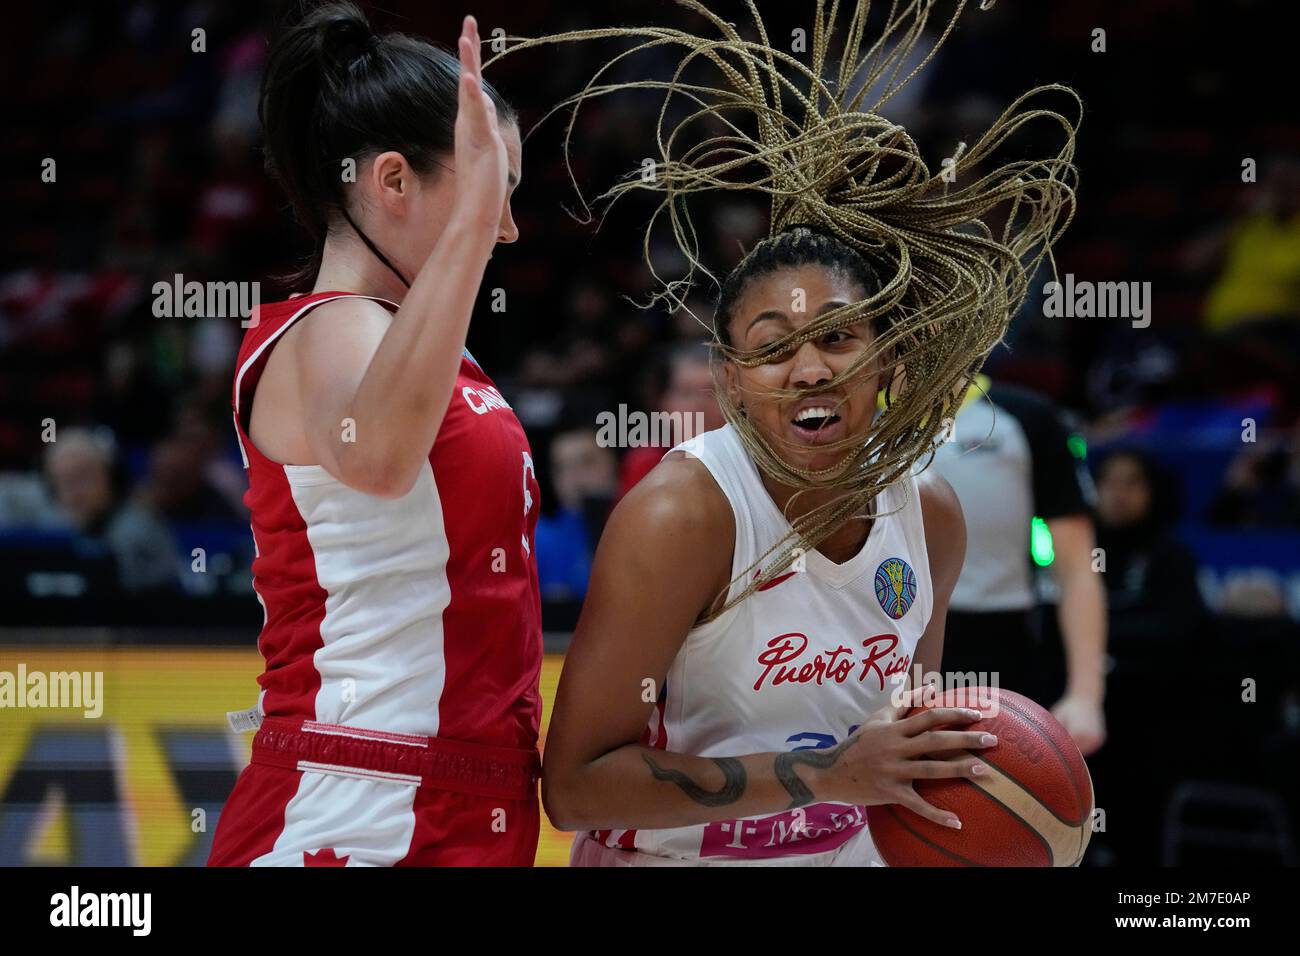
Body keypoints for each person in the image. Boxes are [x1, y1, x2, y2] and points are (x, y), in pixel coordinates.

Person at [510, 0, 1080, 864]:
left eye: (839, 337)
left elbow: (902, 745)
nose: (810, 369)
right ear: (732, 384)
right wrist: (826, 774)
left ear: (890, 359)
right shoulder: (682, 515)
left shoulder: (930, 514)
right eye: (773, 348)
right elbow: (575, 786)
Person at [208, 4, 542, 867]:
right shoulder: (326, 327)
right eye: (494, 187)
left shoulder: (428, 352)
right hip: (355, 797)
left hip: (470, 797)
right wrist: (468, 222)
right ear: (393, 180)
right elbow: (382, 459)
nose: (506, 226)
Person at [929, 375, 1108, 755]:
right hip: (876, 648)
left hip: (997, 644)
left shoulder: (1026, 417)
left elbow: (1078, 568)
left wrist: (1085, 696)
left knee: (990, 789)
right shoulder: (846, 419)